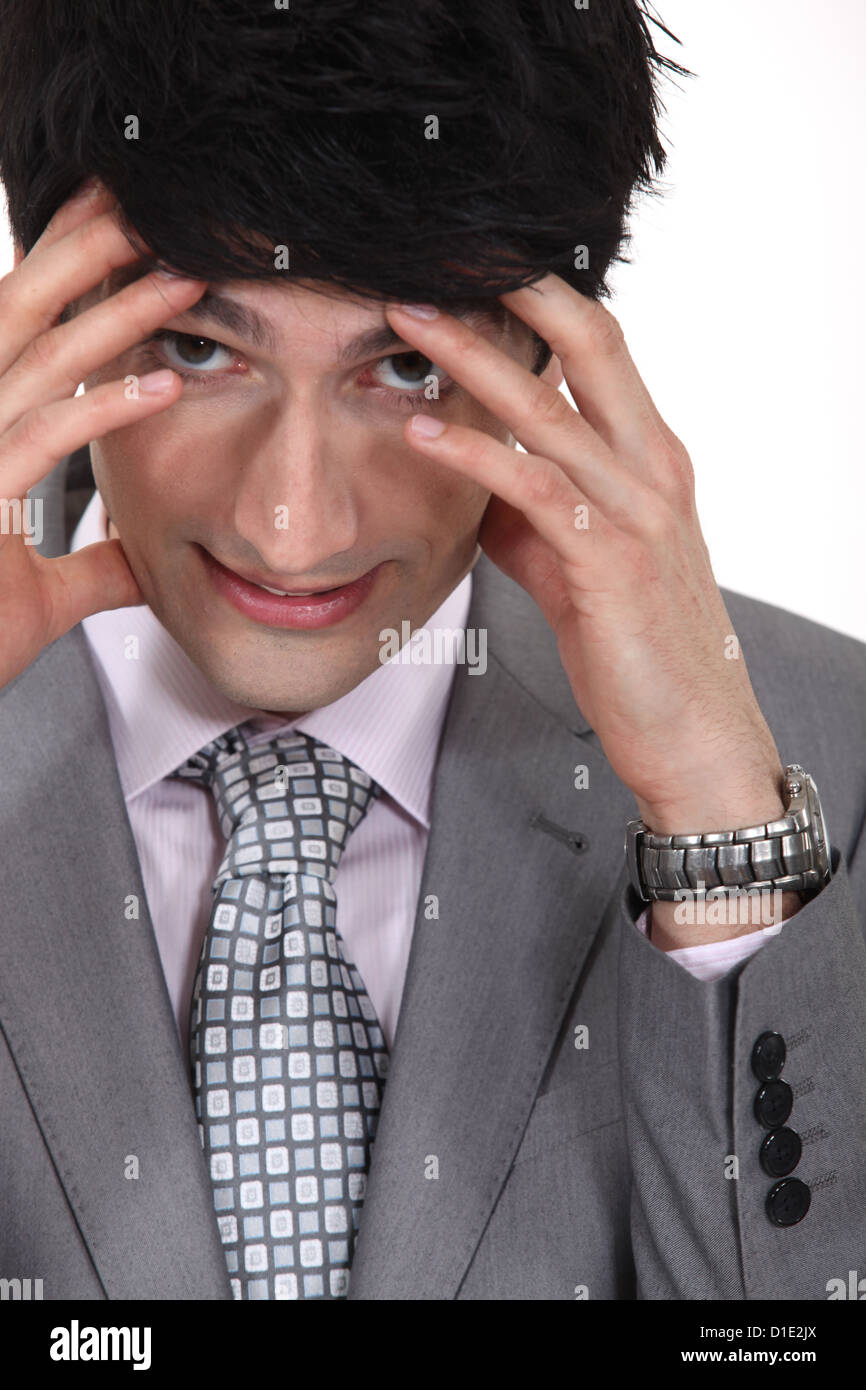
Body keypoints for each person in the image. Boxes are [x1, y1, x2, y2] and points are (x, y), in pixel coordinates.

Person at [0, 0, 863, 1302]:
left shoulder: (831, 755)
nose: (290, 527)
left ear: (553, 347)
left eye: (404, 367)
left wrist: (714, 824)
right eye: (198, 344)